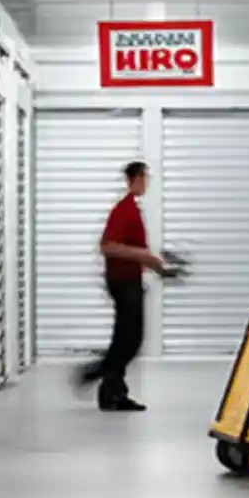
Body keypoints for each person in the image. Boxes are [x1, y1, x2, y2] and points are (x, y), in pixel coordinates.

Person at [73, 161, 165, 412]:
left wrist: (157, 266)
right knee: (129, 340)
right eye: (144, 178)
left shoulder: (132, 209)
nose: (146, 183)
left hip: (130, 281)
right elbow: (108, 246)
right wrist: (144, 257)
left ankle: (112, 394)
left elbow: (136, 251)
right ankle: (93, 374)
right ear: (135, 179)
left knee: (126, 339)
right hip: (123, 283)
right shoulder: (123, 210)